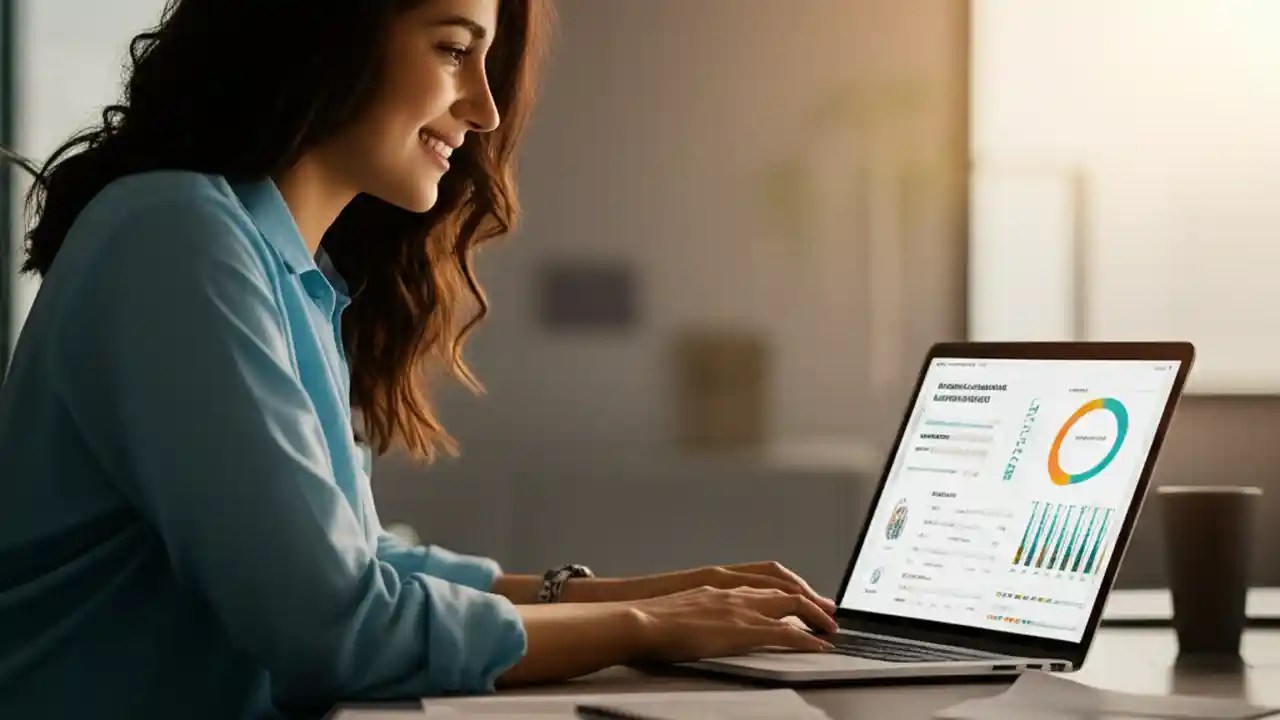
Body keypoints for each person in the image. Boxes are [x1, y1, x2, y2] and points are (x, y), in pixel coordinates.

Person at [0, 1, 839, 718]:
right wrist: (651, 627)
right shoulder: (175, 236)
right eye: (452, 49)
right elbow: (334, 626)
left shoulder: (278, 267)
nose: (485, 109)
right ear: (326, 29)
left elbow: (360, 565)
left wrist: (640, 595)